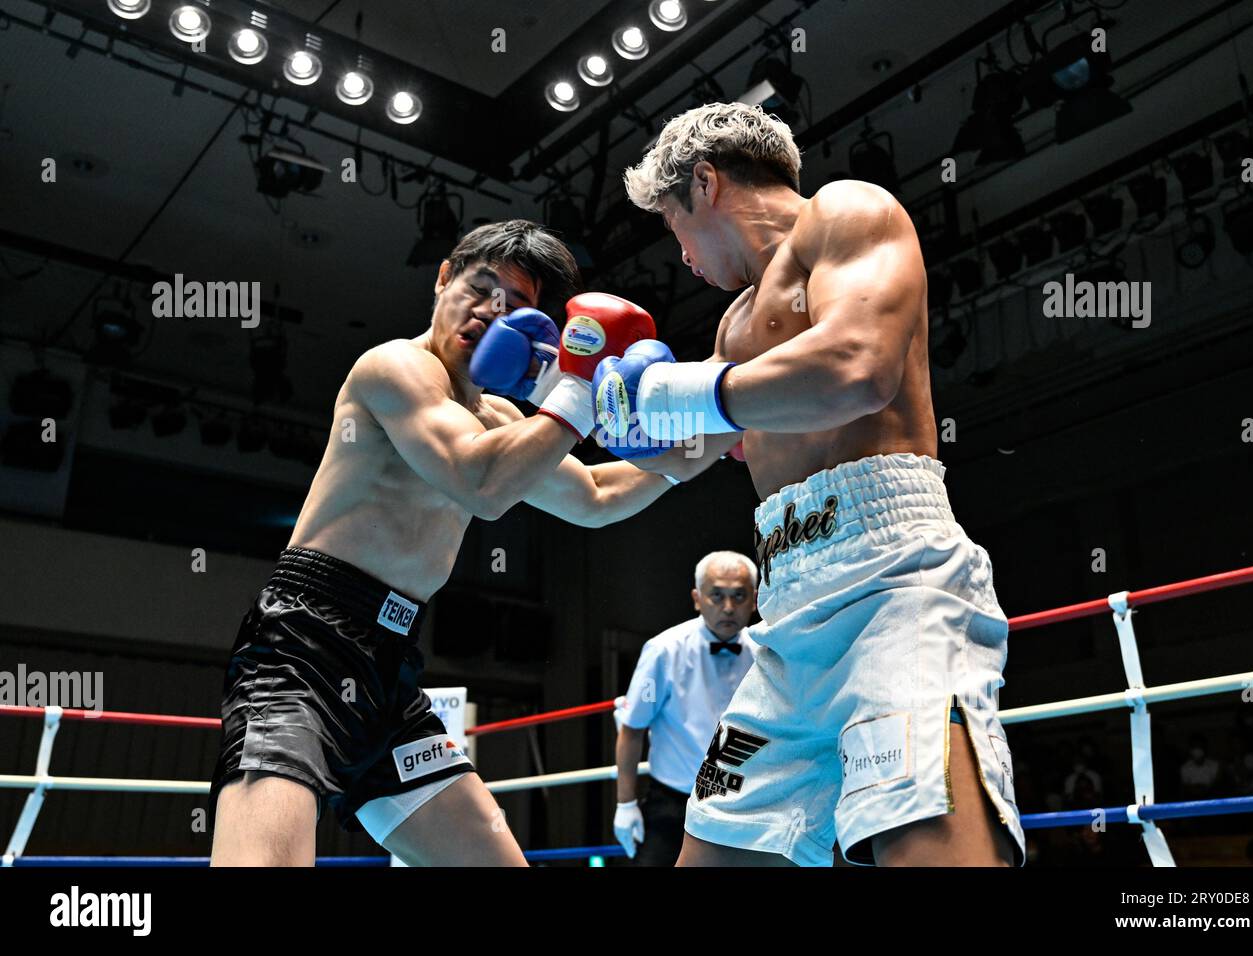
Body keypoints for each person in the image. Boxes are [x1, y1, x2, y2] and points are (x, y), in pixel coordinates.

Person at [598, 102, 1026, 866]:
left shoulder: (848, 211)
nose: (683, 257)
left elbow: (856, 369)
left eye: (674, 226)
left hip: (894, 585)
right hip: (789, 609)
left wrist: (678, 393)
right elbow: (674, 459)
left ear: (705, 182)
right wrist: (559, 422)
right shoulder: (734, 330)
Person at [209, 220, 713, 866]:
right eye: (480, 288)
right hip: (301, 653)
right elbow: (482, 482)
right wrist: (580, 390)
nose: (490, 311)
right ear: (443, 278)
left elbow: (594, 495)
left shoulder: (500, 418)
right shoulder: (394, 368)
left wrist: (709, 437)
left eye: (516, 306)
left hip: (388, 670)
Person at [612, 551, 757, 865]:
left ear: (755, 600)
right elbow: (632, 729)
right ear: (697, 598)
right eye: (717, 595)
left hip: (744, 803)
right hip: (672, 803)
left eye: (739, 596)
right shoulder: (664, 650)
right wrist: (625, 804)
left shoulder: (766, 654)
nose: (728, 607)